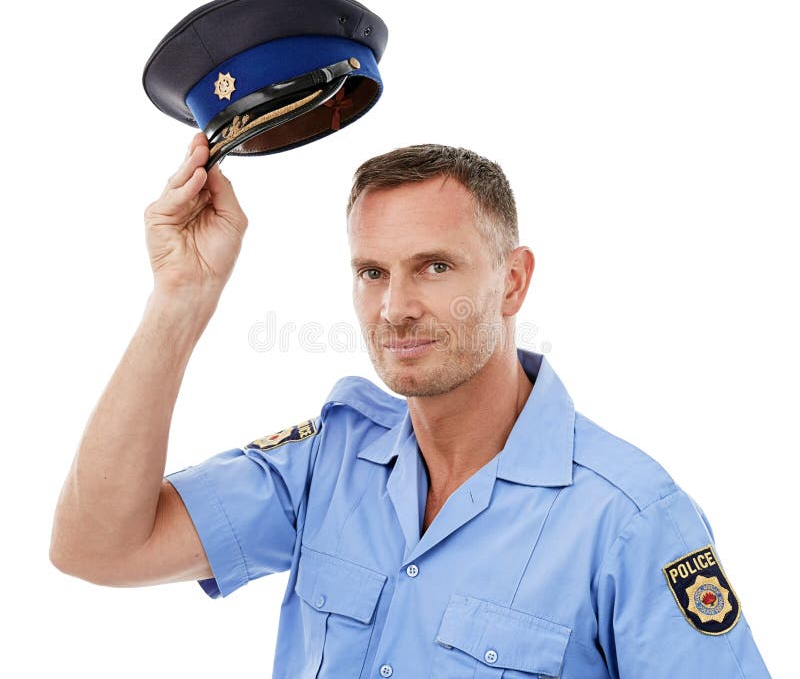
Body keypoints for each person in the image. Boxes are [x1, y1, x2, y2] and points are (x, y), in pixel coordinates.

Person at [50, 133, 771, 678]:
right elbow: (96, 547)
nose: (395, 308)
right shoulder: (327, 463)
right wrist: (180, 298)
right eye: (372, 272)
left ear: (513, 282)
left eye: (435, 266)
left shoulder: (631, 519)